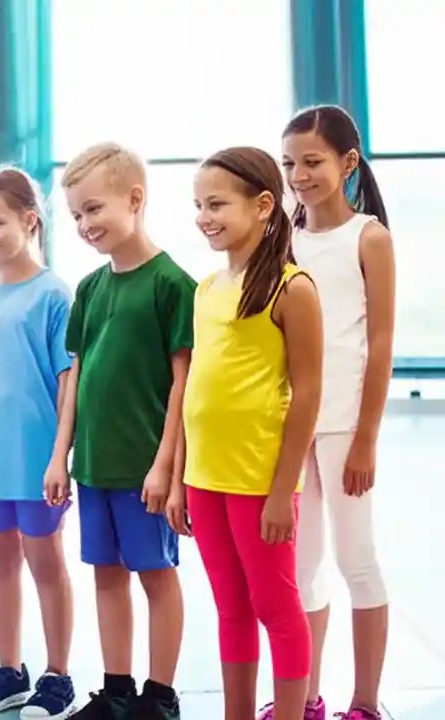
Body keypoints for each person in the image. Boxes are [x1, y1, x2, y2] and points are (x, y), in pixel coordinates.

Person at [178, 146, 324, 720]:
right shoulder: (208, 288)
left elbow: (308, 394)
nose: (204, 216)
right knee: (230, 607)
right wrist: (180, 474)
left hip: (258, 477)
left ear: (263, 205)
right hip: (204, 478)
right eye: (198, 205)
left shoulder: (293, 288)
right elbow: (196, 391)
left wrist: (282, 490)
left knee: (276, 607)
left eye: (217, 203)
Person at [50, 143, 192, 720]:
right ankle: (117, 691)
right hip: (93, 468)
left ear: (135, 199)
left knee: (155, 576)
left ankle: (160, 697)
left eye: (94, 209)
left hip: (143, 470)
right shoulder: (88, 289)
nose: (85, 225)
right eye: (77, 215)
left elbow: (184, 387)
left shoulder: (172, 284)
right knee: (106, 576)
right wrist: (61, 456)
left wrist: (165, 467)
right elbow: (76, 379)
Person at [0, 167, 78, 719]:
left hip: (37, 462)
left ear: (29, 221)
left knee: (45, 563)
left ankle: (59, 675)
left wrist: (58, 458)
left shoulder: (54, 296)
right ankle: (10, 670)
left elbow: (68, 383)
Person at [279, 105, 395, 720]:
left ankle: (366, 702)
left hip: (348, 425)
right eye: (290, 163)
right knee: (300, 568)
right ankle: (306, 697)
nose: (299, 175)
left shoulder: (369, 237)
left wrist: (367, 439)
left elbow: (379, 344)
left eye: (313, 162)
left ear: (348, 163)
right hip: (291, 429)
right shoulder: (284, 240)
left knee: (357, 559)